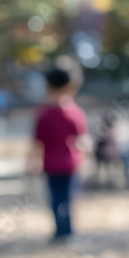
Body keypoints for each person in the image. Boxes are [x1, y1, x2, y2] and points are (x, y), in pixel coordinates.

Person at [30, 68, 87, 243]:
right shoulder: (74, 113)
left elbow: (37, 143)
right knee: (69, 197)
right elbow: (82, 140)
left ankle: (59, 230)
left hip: (50, 164)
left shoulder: (44, 114)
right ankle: (68, 230)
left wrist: (33, 161)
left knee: (55, 198)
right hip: (70, 163)